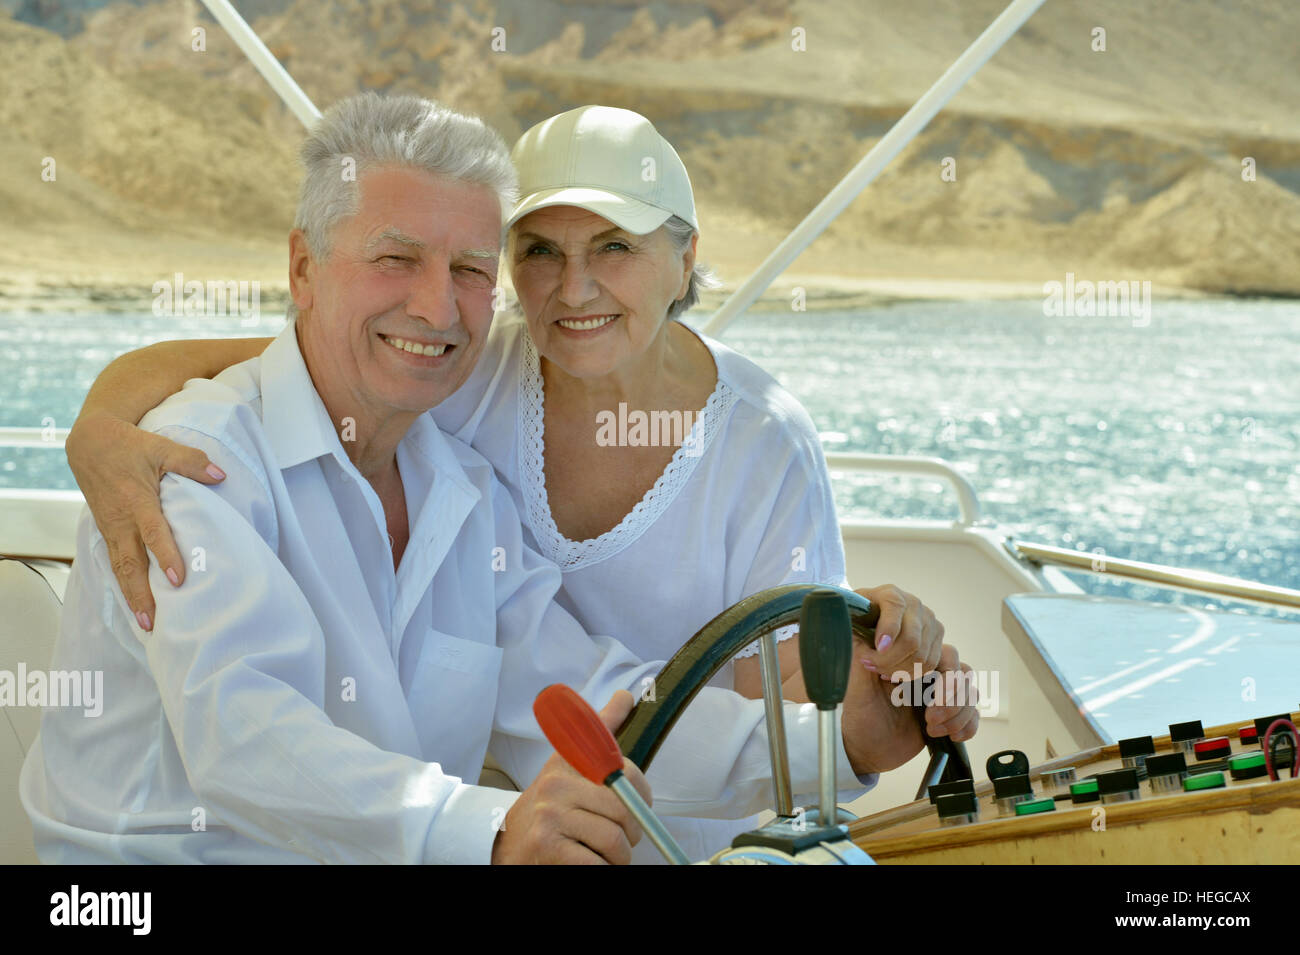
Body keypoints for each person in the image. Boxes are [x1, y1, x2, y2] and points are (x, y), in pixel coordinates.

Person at [52, 97, 979, 862]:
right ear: (303, 266)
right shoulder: (192, 465)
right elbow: (243, 734)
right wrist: (492, 828)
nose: (433, 304)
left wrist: (848, 742)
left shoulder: (456, 480)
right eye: (394, 258)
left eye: (466, 269)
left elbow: (584, 699)